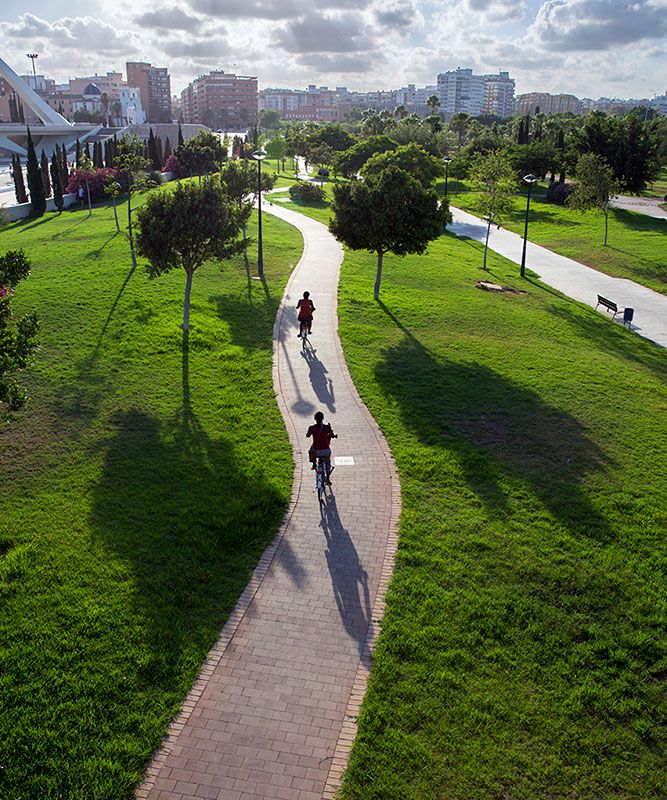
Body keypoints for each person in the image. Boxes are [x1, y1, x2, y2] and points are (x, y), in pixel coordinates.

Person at [306, 411, 336, 483]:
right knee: (327, 462)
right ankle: (328, 478)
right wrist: (331, 429)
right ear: (323, 418)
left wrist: (310, 430)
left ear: (315, 419)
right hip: (326, 451)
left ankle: (314, 463)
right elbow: (332, 436)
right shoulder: (327, 427)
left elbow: (307, 436)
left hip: (316, 452)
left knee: (311, 449)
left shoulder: (312, 428)